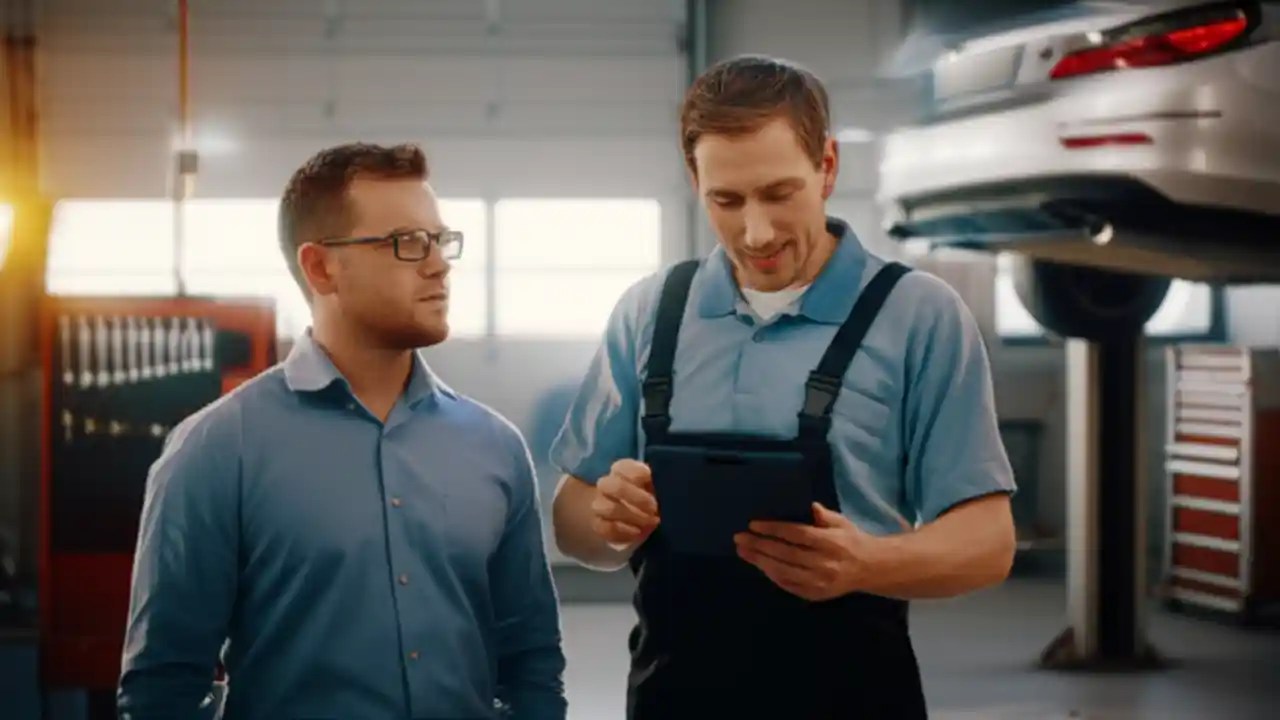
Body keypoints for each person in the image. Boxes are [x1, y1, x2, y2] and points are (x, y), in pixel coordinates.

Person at [549, 55, 1018, 718]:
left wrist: (865, 566)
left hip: (854, 695)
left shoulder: (919, 315)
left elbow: (988, 543)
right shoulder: (651, 310)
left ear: (827, 167)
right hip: (673, 696)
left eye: (779, 193)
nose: (756, 232)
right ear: (695, 180)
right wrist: (607, 519)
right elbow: (573, 528)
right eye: (727, 200)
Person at [118, 142, 567, 720]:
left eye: (440, 240)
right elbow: (163, 688)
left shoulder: (495, 448)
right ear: (320, 266)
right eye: (407, 243)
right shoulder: (217, 450)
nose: (438, 263)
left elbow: (531, 661)